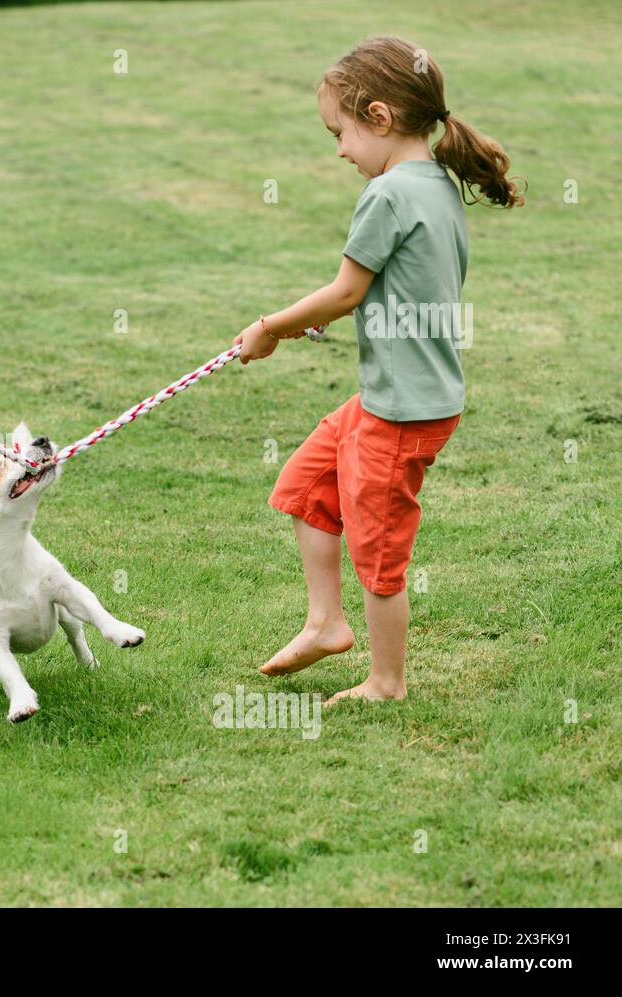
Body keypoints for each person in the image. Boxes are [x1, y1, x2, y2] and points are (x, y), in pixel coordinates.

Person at [232, 36, 523, 704]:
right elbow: (384, 288)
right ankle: (324, 621)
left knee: (380, 551)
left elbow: (345, 291)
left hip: (402, 409)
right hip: (399, 397)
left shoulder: (388, 195)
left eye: (341, 132)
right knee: (307, 482)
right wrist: (324, 318)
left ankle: (386, 682)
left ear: (381, 118)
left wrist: (270, 327)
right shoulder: (435, 186)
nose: (339, 150)